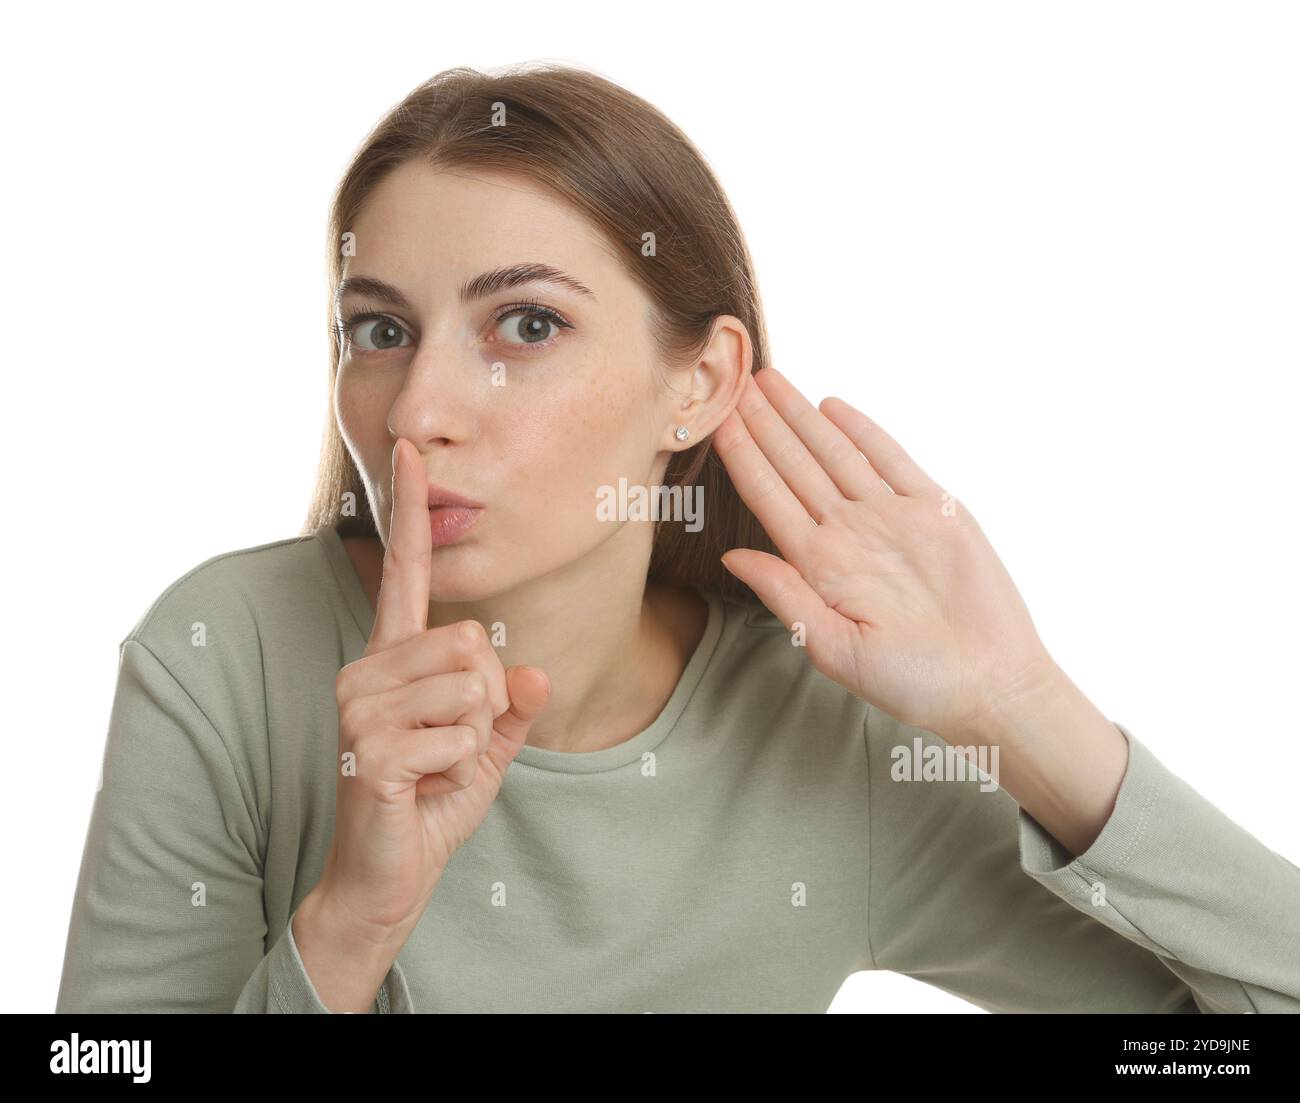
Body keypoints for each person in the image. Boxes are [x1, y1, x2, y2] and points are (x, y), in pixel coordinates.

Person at [56, 62, 1300, 1014]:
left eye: (526, 326)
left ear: (697, 386)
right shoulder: (223, 658)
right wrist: (345, 929)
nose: (420, 411)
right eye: (380, 331)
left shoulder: (822, 747)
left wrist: (1026, 711)